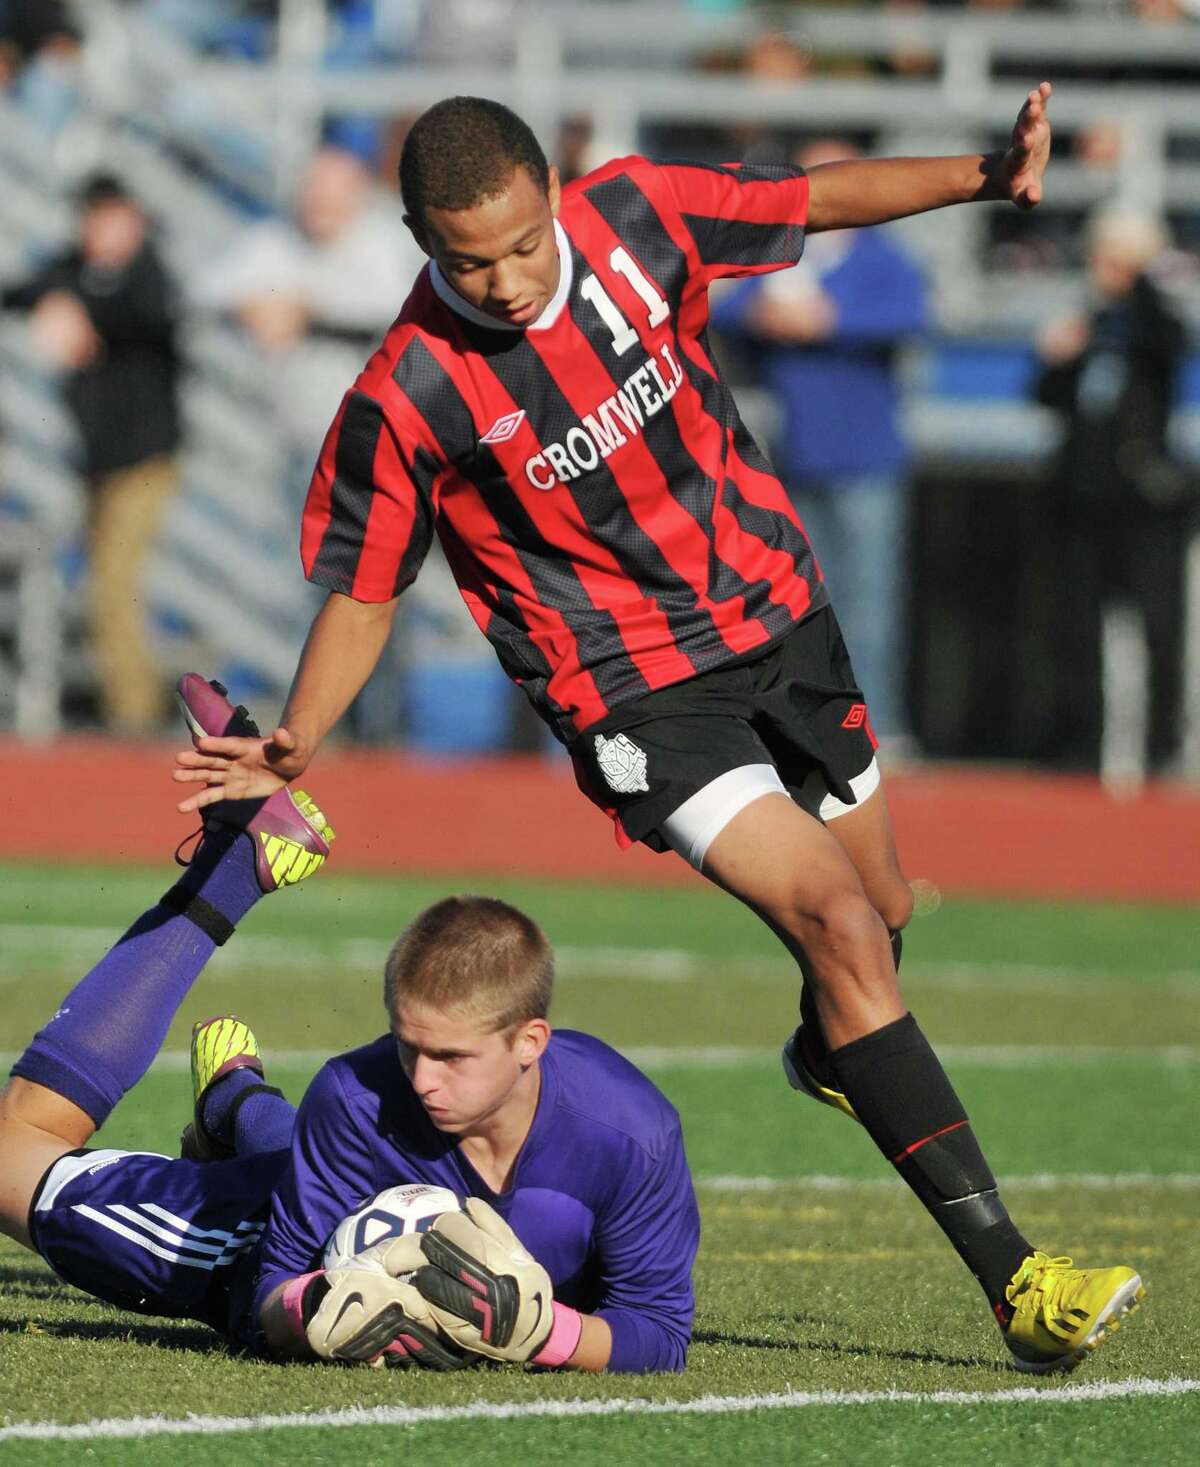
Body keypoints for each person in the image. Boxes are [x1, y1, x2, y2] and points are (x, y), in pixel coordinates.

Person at [175, 88, 1145, 1372]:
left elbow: (812, 200)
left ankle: (834, 1048)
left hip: (781, 618)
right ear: (418, 239)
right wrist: (299, 736)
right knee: (839, 928)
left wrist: (984, 173)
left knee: (882, 917)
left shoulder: (638, 211)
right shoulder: (406, 394)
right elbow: (363, 594)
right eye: (469, 260)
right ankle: (1018, 1278)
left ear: (551, 195)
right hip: (635, 697)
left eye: (525, 243)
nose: (510, 279)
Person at [0, 678, 698, 1373]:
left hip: (328, 1181)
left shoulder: (632, 1132)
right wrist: (315, 1308)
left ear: (530, 1042)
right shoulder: (357, 1093)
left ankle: (234, 1097)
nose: (422, 1078)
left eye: (451, 1056)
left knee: (322, 1157)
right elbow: (273, 1285)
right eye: (408, 1045)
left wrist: (542, 1334)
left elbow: (659, 1332)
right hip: (255, 1238)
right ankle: (233, 875)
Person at [711, 137, 927, 740]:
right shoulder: (783, 249)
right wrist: (766, 318)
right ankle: (817, 728)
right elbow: (723, 304)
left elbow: (912, 312)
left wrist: (832, 322)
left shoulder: (882, 252)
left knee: (872, 606)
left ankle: (879, 726)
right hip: (796, 457)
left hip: (867, 459)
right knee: (804, 606)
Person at [1, 173, 181, 734]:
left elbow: (145, 317)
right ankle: (132, 705)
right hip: (98, 459)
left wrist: (81, 315)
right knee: (105, 582)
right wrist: (57, 305)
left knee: (113, 583)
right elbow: (27, 291)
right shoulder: (74, 269)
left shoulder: (148, 273)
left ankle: (136, 713)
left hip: (144, 459)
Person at [1034, 211, 1192, 776]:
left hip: (1144, 498)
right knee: (1077, 626)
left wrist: (1137, 278)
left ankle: (1161, 743)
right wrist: (1059, 352)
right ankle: (1080, 741)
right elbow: (1045, 393)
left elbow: (1165, 340)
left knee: (1158, 626)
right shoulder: (1086, 326)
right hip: (1083, 494)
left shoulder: (1146, 322)